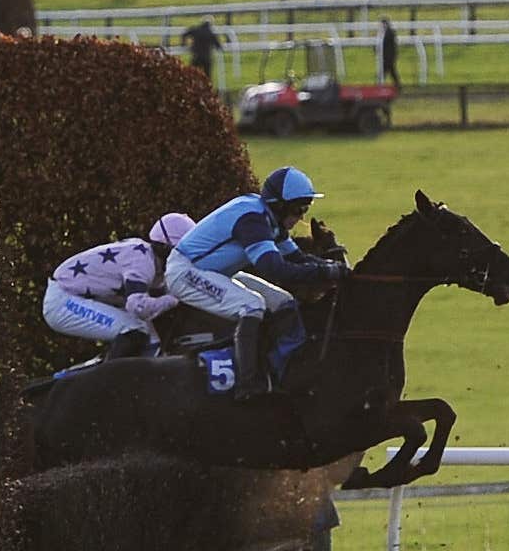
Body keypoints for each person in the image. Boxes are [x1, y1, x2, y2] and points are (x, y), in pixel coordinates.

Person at [168, 166, 343, 397]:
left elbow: (297, 258)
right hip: (185, 272)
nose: (301, 215)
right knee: (252, 305)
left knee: (283, 302)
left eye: (306, 208)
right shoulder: (252, 220)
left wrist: (332, 268)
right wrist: (326, 273)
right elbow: (275, 269)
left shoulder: (271, 220)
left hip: (214, 273)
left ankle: (278, 369)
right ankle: (248, 384)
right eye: (298, 208)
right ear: (280, 205)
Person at [43, 212, 196, 360]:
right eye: (179, 253)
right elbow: (138, 308)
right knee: (134, 330)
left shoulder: (150, 261)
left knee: (152, 342)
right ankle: (107, 383)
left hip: (73, 295)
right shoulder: (142, 261)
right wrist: (174, 299)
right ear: (165, 248)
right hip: (63, 301)